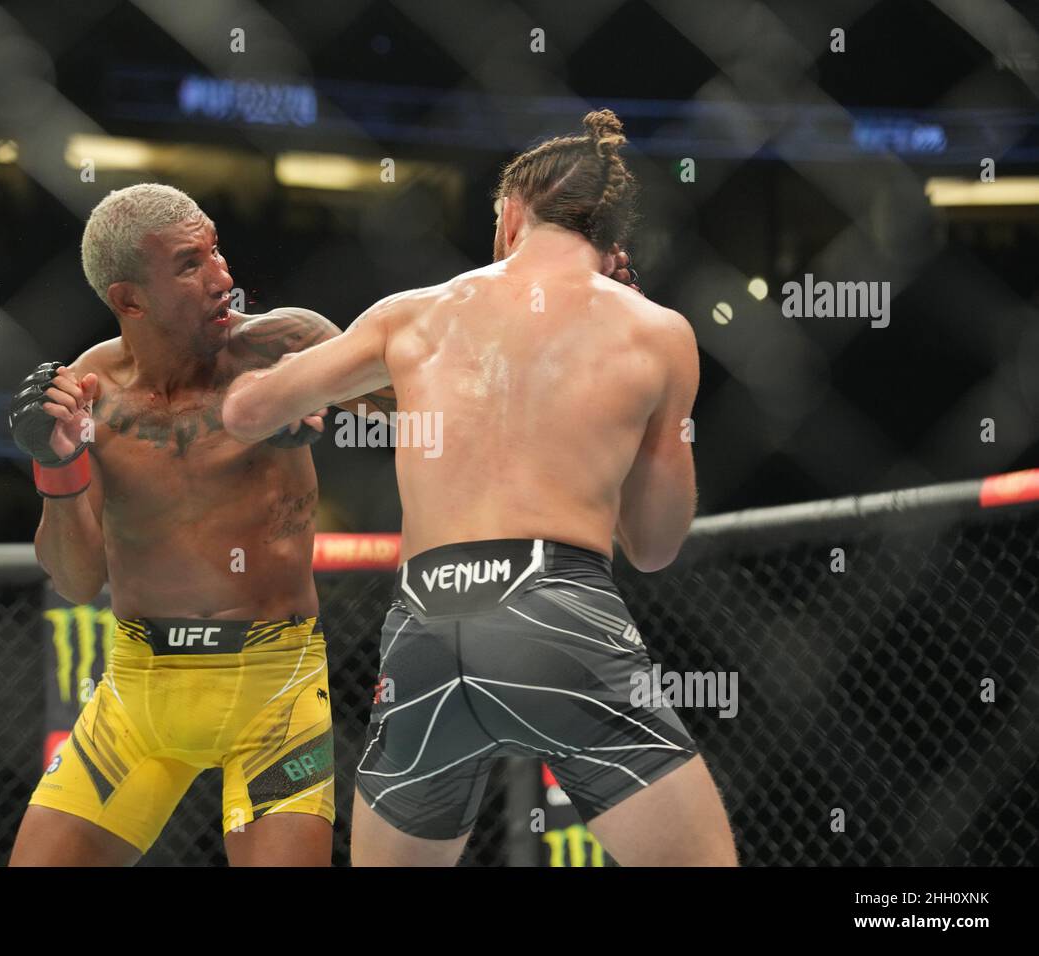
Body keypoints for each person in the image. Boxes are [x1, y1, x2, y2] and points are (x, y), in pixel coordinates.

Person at [222, 110, 738, 866]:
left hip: (424, 628)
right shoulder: (656, 331)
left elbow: (244, 410)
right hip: (558, 616)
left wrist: (327, 383)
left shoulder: (416, 313)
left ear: (514, 214)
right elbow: (655, 546)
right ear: (609, 237)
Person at [7, 183, 389, 866]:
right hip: (136, 693)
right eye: (190, 265)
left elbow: (432, 394)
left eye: (217, 253)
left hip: (274, 688)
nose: (224, 279)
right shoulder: (91, 391)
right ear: (129, 299)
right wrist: (56, 468)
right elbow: (75, 578)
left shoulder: (284, 349)